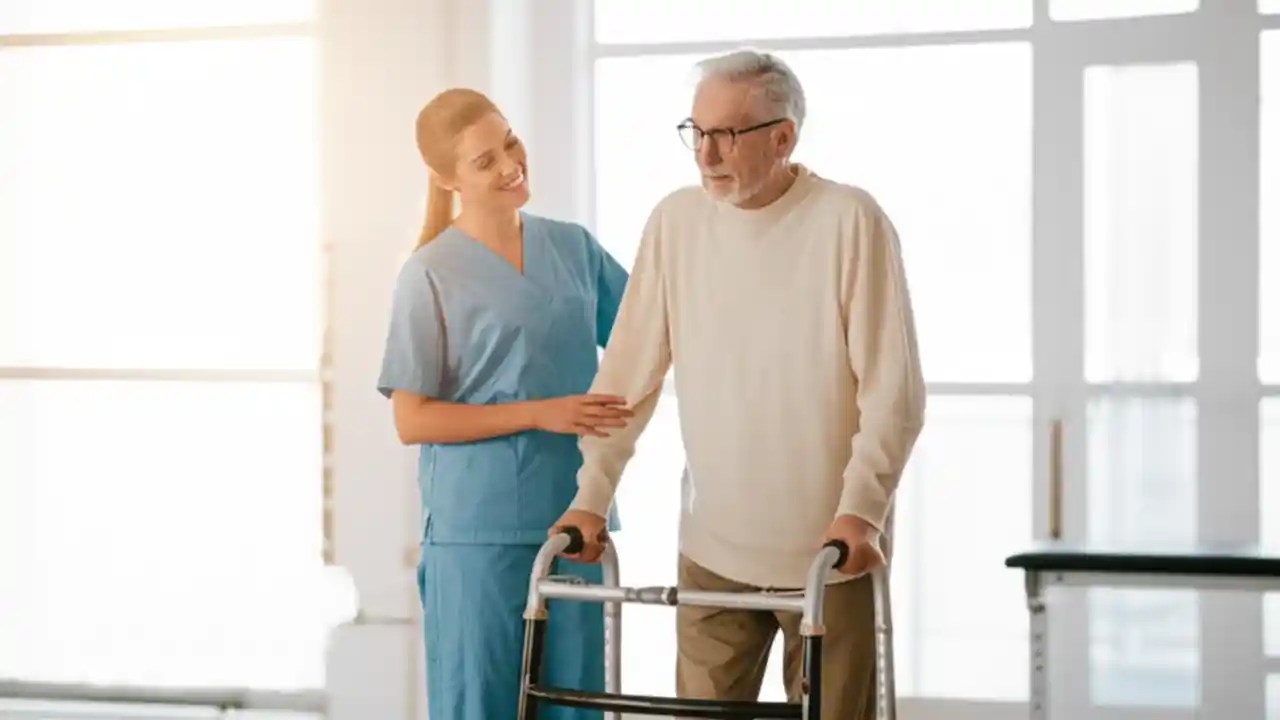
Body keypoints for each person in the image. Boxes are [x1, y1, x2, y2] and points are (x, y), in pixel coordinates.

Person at [550, 49, 926, 719]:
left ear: (783, 137)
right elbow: (626, 380)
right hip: (714, 548)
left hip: (830, 550)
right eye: (696, 131)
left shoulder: (849, 220)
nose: (706, 153)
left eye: (727, 133)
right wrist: (591, 496)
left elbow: (893, 394)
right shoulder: (677, 223)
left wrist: (862, 510)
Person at [377, 87, 631, 720]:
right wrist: (540, 411)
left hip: (576, 522)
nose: (510, 164)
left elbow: (650, 336)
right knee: (482, 707)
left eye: (509, 142)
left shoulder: (573, 248)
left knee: (576, 708)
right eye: (483, 160)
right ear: (446, 179)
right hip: (476, 538)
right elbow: (412, 419)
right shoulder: (428, 273)